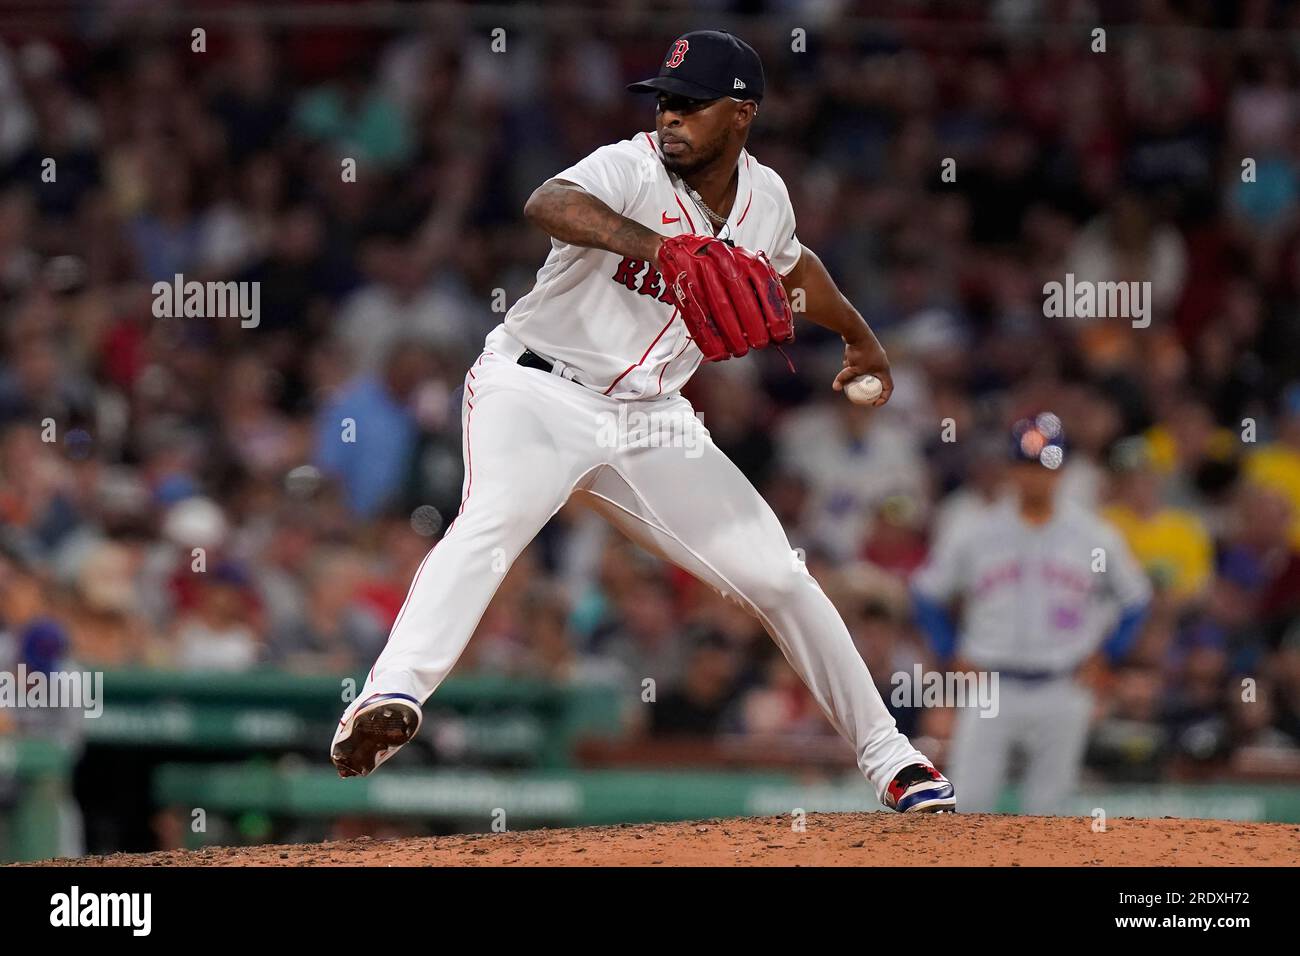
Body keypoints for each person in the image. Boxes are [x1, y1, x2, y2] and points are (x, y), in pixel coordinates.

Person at [331, 30, 955, 813]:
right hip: (536, 391)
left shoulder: (767, 199)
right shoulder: (628, 166)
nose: (670, 116)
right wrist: (662, 250)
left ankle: (893, 760)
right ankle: (388, 695)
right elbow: (548, 202)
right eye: (664, 100)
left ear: (741, 114)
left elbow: (796, 268)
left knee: (779, 576)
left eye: (690, 104)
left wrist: (861, 338)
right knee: (491, 523)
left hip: (651, 418)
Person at [911, 415, 1153, 813]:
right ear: (1010, 470)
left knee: (1050, 812)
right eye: (1027, 466)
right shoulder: (975, 530)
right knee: (969, 805)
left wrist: (1107, 655)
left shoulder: (1092, 535)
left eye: (1047, 466)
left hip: (1064, 684)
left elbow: (1137, 598)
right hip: (990, 687)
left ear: (1062, 471)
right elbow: (925, 592)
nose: (1036, 477)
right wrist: (949, 650)